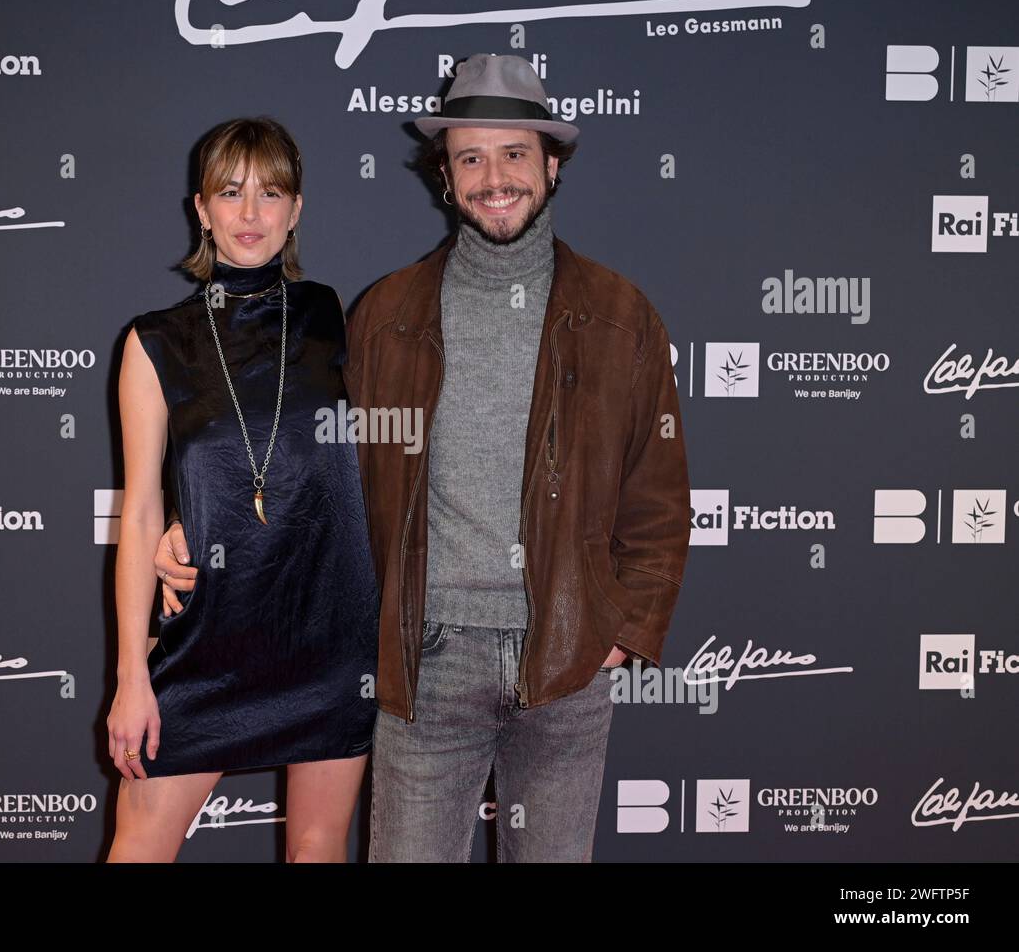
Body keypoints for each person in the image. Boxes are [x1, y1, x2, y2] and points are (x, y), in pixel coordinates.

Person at [158, 54, 691, 863]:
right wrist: (189, 522)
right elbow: (301, 454)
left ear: (552, 163)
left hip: (568, 658)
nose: (494, 177)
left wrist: (614, 634)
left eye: (515, 153)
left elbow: (658, 494)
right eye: (470, 157)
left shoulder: (621, 316)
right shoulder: (387, 312)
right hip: (422, 659)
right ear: (446, 176)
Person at [105, 117, 378, 863]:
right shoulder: (155, 342)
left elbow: (381, 463)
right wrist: (133, 675)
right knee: (139, 845)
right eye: (231, 193)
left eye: (271, 193)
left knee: (318, 849)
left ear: (296, 209)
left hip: (329, 634)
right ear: (201, 208)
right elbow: (139, 514)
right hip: (209, 638)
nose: (250, 214)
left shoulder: (337, 321)